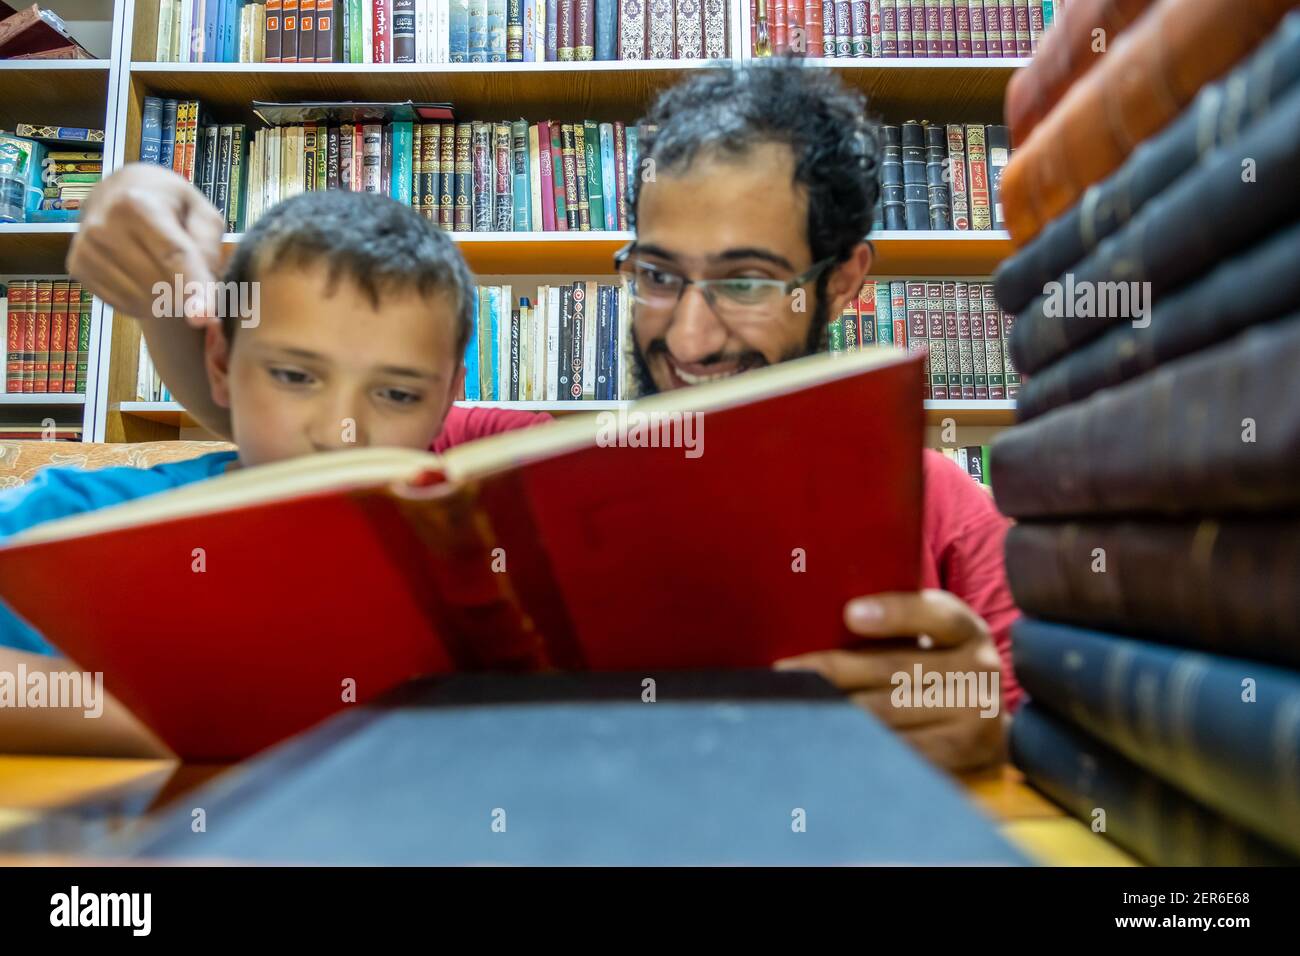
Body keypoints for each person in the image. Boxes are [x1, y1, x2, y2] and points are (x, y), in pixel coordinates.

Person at [68, 60, 1018, 770]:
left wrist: (988, 726)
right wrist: (150, 227)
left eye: (745, 283)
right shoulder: (514, 472)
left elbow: (1054, 748)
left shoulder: (944, 512)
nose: (688, 337)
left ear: (845, 280)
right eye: (656, 275)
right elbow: (278, 429)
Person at [0, 189, 479, 753]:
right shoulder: (83, 516)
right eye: (295, 377)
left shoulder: (477, 563)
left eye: (397, 393)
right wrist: (182, 717)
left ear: (449, 397)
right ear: (221, 364)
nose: (340, 432)